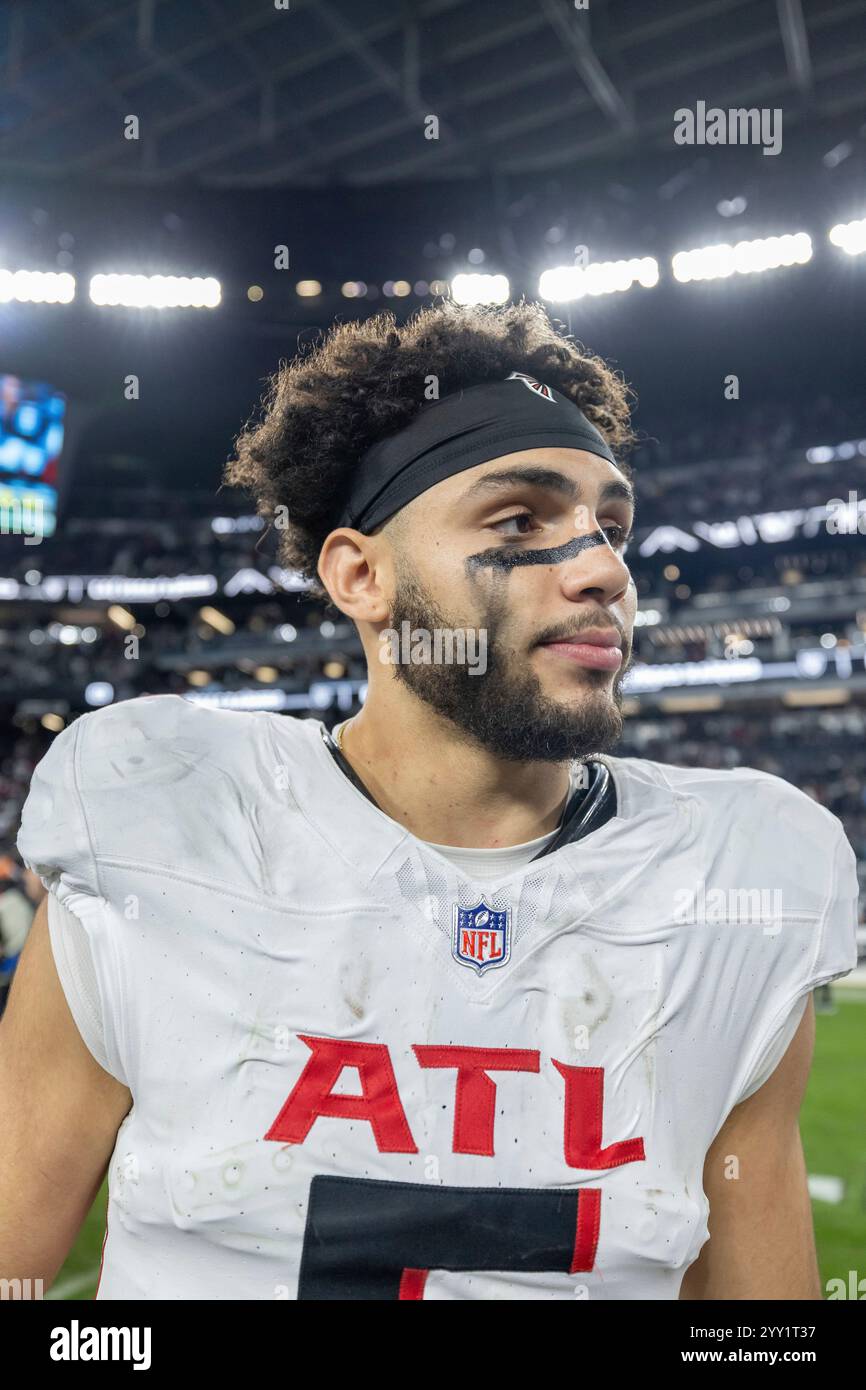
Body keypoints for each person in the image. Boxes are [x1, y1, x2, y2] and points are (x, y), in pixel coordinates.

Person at [0, 300, 858, 1300]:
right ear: (359, 575)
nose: (602, 568)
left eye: (610, 526)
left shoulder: (727, 889)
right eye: (516, 520)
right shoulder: (167, 828)